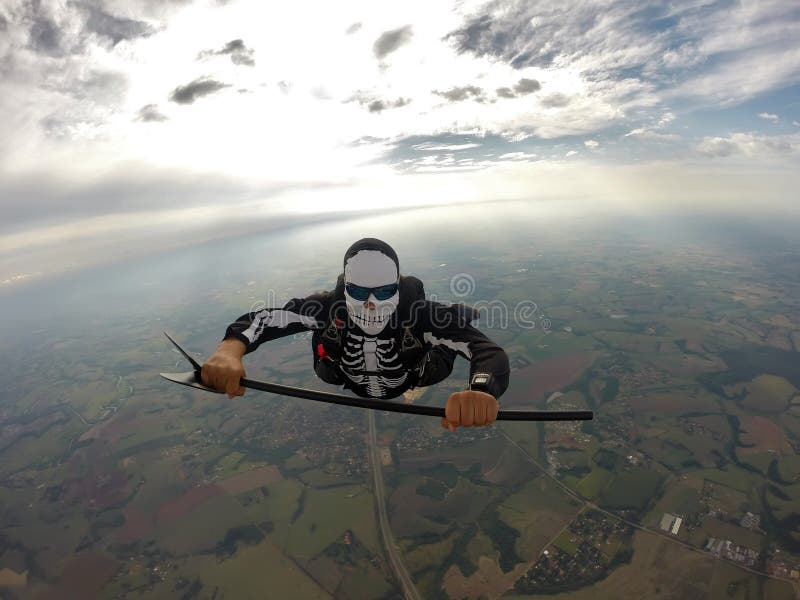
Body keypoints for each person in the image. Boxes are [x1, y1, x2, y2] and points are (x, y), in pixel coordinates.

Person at [201, 238, 510, 431]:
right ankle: (446, 326)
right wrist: (229, 350)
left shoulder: (418, 313)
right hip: (341, 372)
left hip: (416, 372)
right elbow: (265, 319)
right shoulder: (328, 307)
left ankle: (450, 321)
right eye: (359, 291)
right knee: (324, 338)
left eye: (385, 291)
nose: (371, 303)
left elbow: (485, 351)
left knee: (444, 344)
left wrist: (482, 389)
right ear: (346, 287)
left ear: (398, 290)